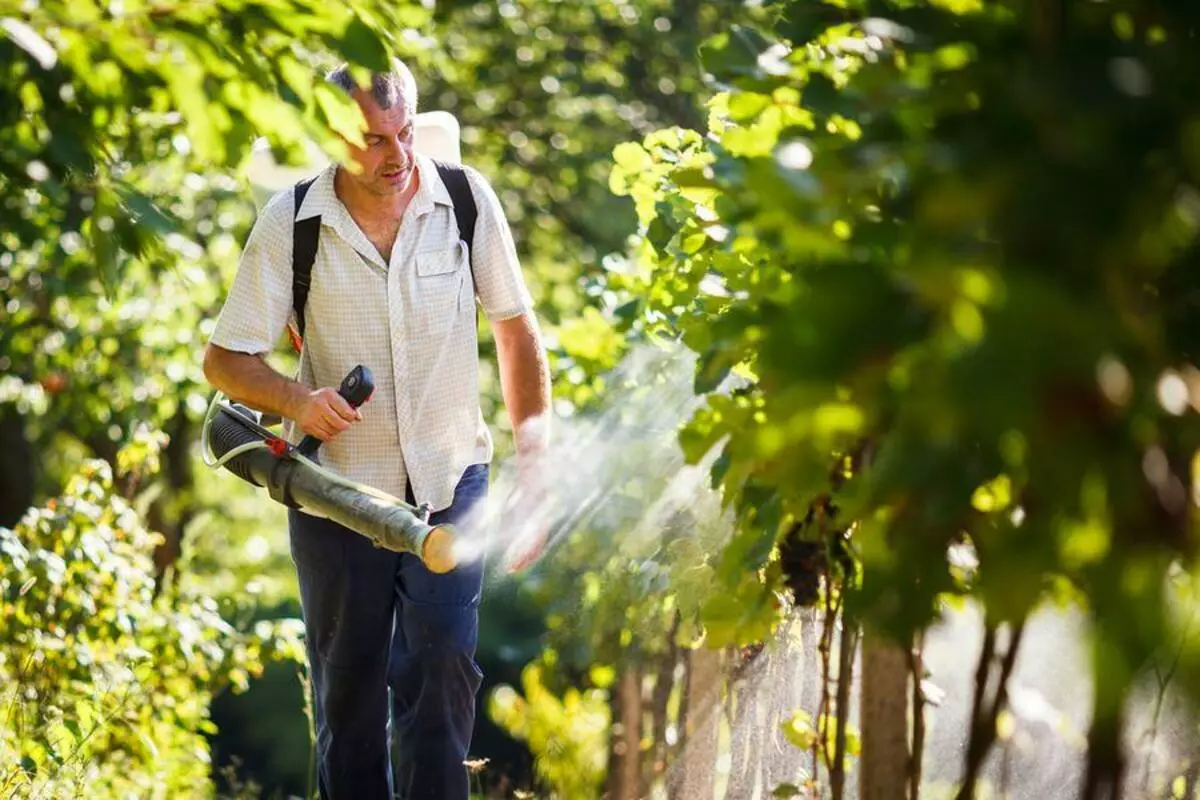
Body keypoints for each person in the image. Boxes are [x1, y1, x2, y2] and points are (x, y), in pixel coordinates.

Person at [202, 58, 551, 799]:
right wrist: (298, 402)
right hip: (337, 501)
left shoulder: (464, 200)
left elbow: (517, 332)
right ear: (332, 134)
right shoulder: (291, 222)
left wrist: (537, 462)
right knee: (348, 705)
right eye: (371, 140)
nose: (395, 157)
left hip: (450, 488)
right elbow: (226, 361)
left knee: (442, 681)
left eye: (402, 134)